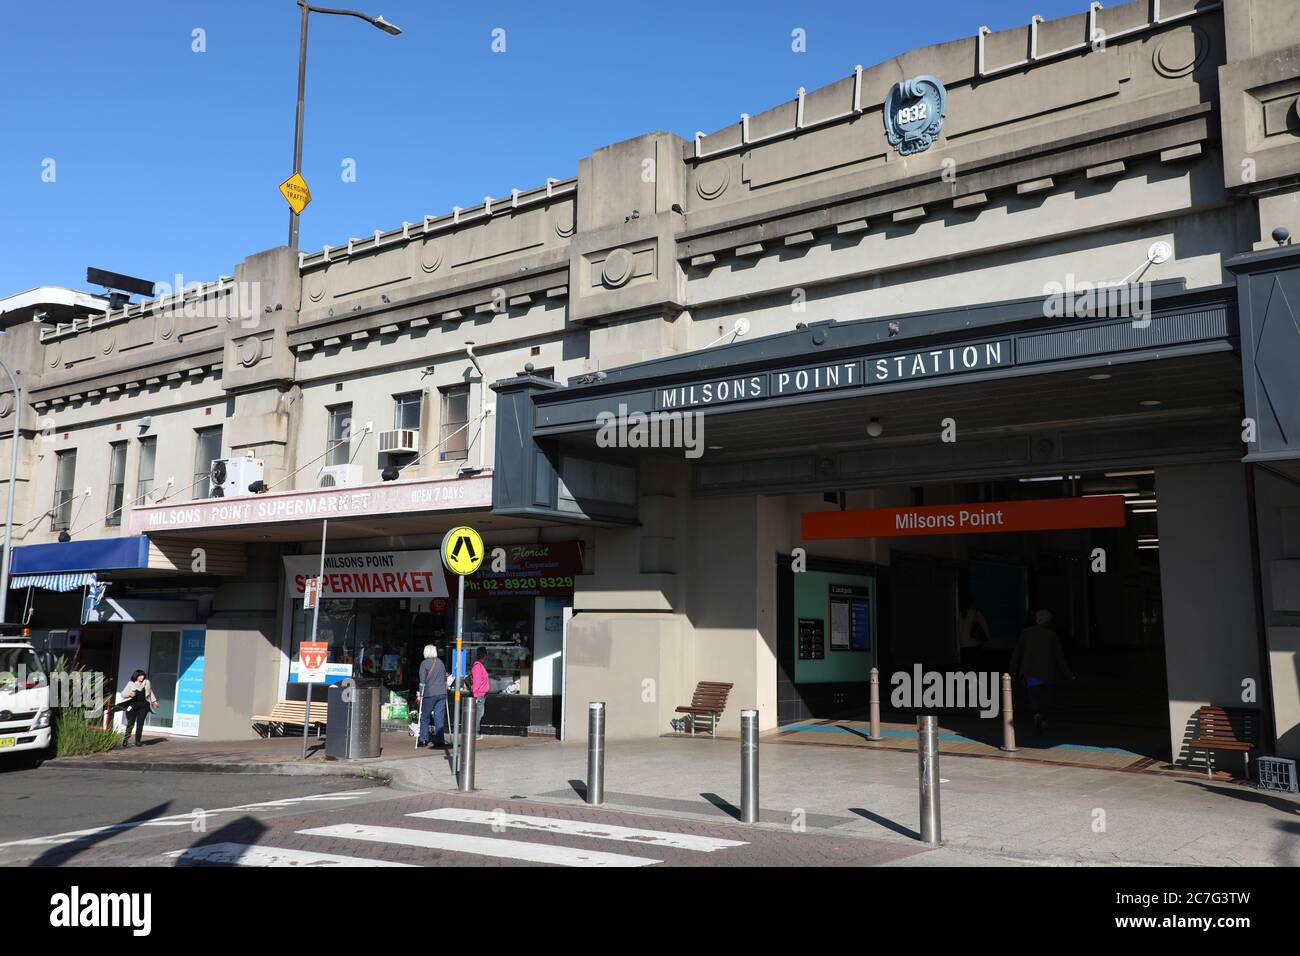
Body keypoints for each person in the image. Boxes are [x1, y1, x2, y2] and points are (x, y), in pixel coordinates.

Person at [1010, 609, 1074, 733]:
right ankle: (1043, 716)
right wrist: (1069, 674)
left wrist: (1012, 669)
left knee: (1034, 696)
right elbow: (1059, 658)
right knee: (1046, 697)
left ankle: (1037, 714)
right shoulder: (1052, 636)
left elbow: (1017, 653)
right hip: (1048, 674)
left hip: (1031, 673)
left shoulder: (1026, 633)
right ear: (1048, 621)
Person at [112, 670, 158, 748]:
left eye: (143, 675)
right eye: (140, 676)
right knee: (130, 723)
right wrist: (129, 694)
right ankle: (125, 740)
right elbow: (123, 694)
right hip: (132, 705)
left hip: (144, 706)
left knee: (140, 723)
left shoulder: (147, 682)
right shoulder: (131, 683)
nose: (142, 677)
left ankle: (138, 741)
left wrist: (154, 701)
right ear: (136, 676)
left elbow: (150, 692)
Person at [416, 644, 448, 749]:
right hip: (442, 692)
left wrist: (420, 694)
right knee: (439, 717)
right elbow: (444, 678)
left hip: (430, 693)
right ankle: (439, 741)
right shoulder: (441, 663)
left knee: (425, 717)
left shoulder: (424, 663)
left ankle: (423, 739)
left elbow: (422, 682)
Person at [470, 647, 490, 740]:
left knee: (479, 714)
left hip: (481, 694)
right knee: (478, 715)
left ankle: (476, 732)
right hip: (479, 695)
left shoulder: (480, 665)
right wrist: (476, 695)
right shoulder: (477, 666)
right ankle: (475, 733)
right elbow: (477, 682)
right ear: (484, 655)